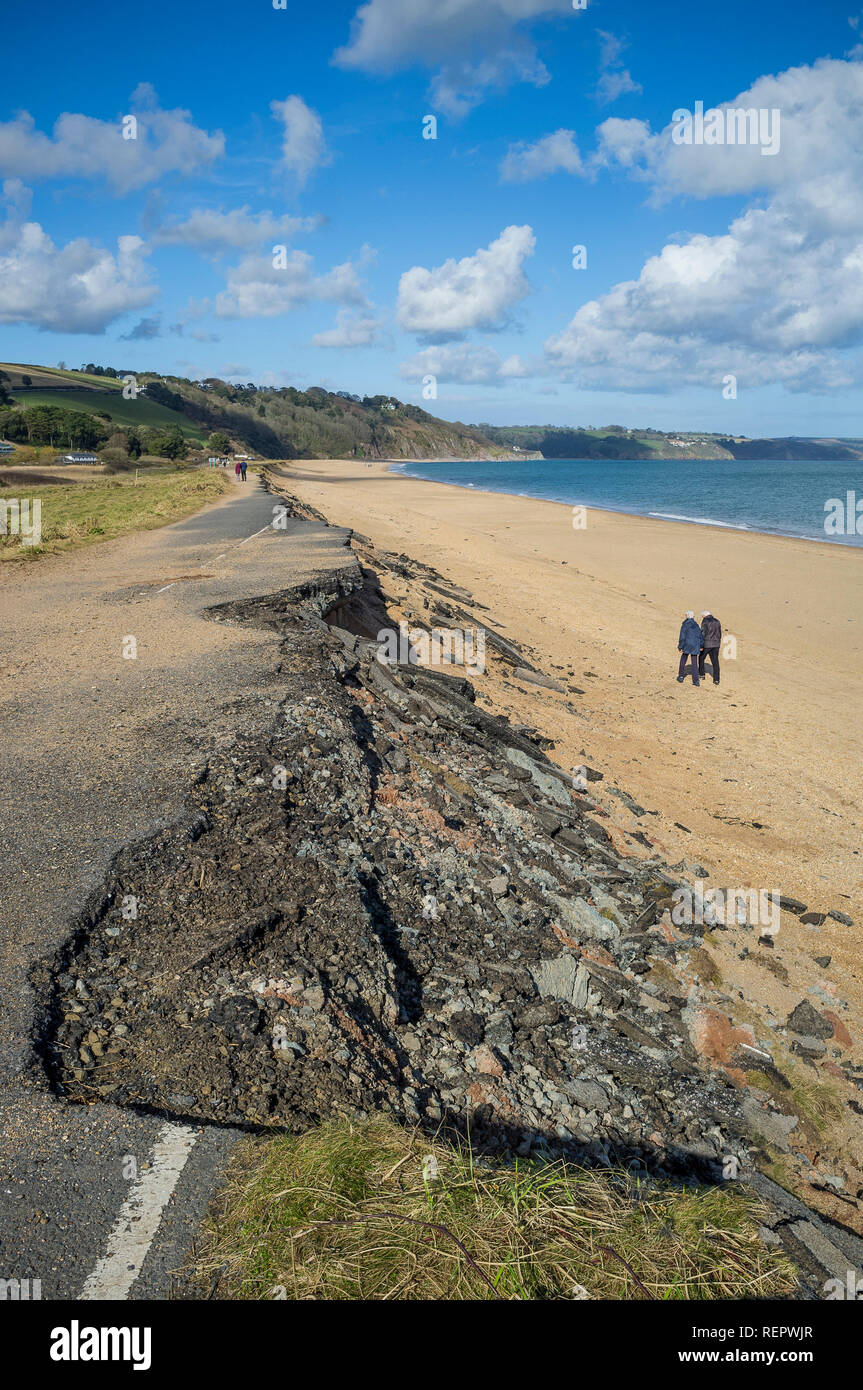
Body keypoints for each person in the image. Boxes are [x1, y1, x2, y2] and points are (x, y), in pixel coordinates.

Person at [677, 610, 702, 685]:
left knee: (683, 660)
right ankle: (696, 681)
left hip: (687, 645)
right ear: (693, 616)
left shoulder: (685, 625)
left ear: (686, 616)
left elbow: (682, 637)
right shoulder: (696, 625)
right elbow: (700, 636)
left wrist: (680, 646)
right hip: (695, 645)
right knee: (694, 663)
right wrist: (701, 645)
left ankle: (681, 676)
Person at [699, 610, 722, 684]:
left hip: (707, 644)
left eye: (702, 616)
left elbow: (702, 633)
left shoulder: (705, 621)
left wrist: (701, 644)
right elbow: (720, 633)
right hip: (716, 644)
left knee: (701, 658)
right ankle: (716, 679)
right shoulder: (717, 621)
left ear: (704, 616)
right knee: (715, 662)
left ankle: (702, 674)